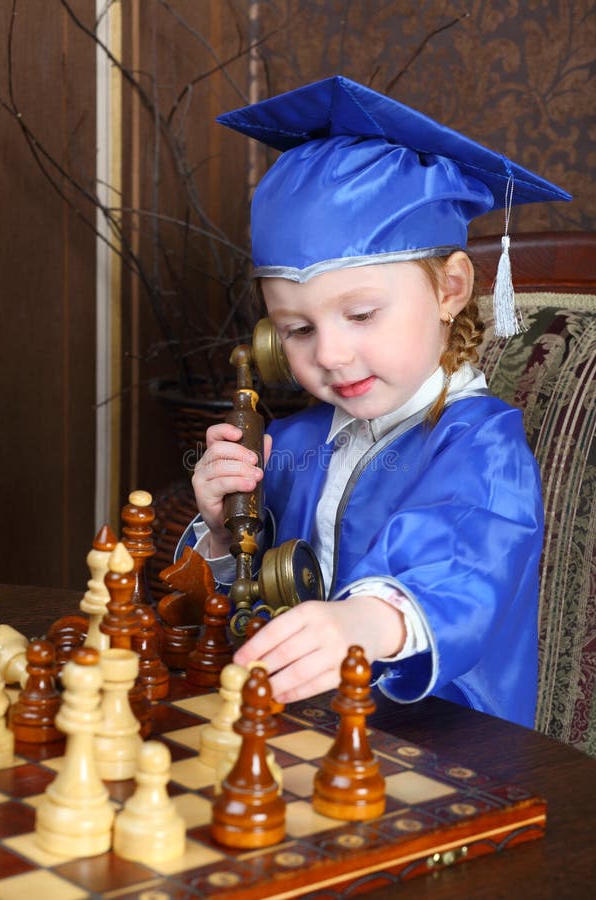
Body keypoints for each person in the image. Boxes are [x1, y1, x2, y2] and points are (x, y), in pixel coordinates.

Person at [177, 76, 571, 727]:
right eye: (298, 329)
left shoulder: (482, 448)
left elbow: (464, 569)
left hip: (446, 756)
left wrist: (365, 620)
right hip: (305, 738)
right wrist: (223, 531)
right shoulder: (297, 444)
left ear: (449, 287)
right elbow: (239, 598)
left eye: (361, 314)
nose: (329, 354)